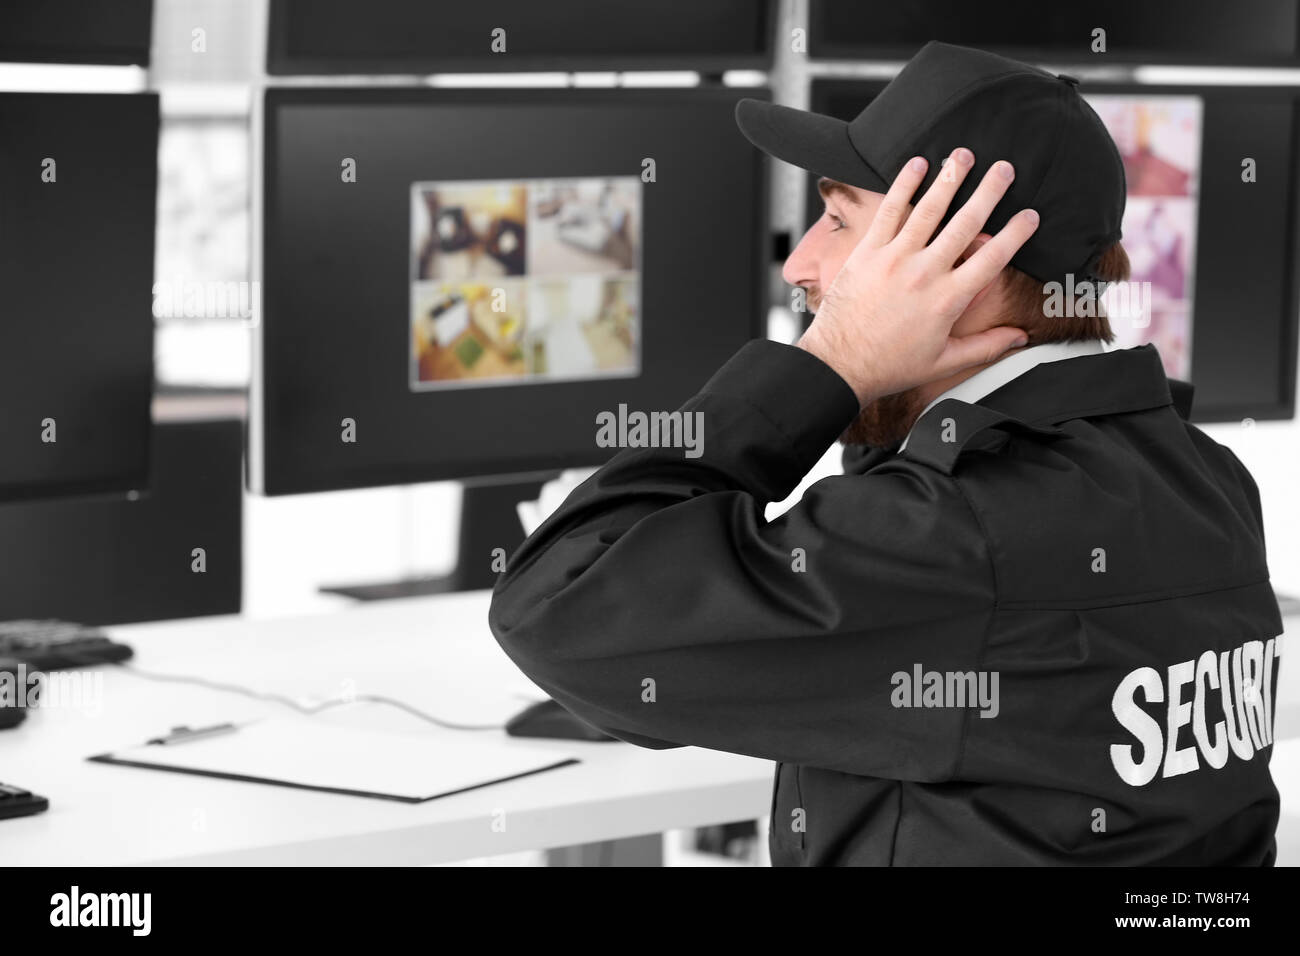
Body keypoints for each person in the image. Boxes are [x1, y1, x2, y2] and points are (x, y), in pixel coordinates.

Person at [489, 42, 1283, 865]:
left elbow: (558, 609)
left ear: (961, 263)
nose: (799, 264)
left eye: (838, 221)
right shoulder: (1203, 475)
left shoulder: (958, 530)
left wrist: (833, 363)